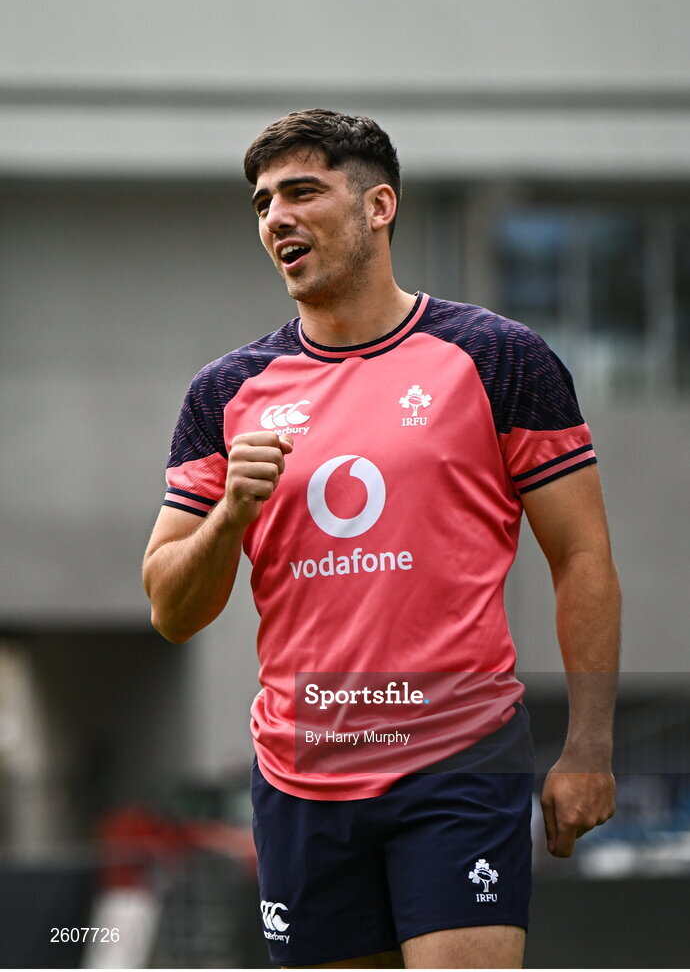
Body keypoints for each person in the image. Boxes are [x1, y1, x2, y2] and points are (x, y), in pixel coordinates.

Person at [143, 109, 620, 969]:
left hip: (459, 761)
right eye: (262, 203)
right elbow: (172, 608)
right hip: (299, 776)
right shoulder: (226, 393)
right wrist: (230, 515)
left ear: (378, 207)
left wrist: (588, 746)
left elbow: (581, 556)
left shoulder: (499, 359)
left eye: (302, 192)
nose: (276, 218)